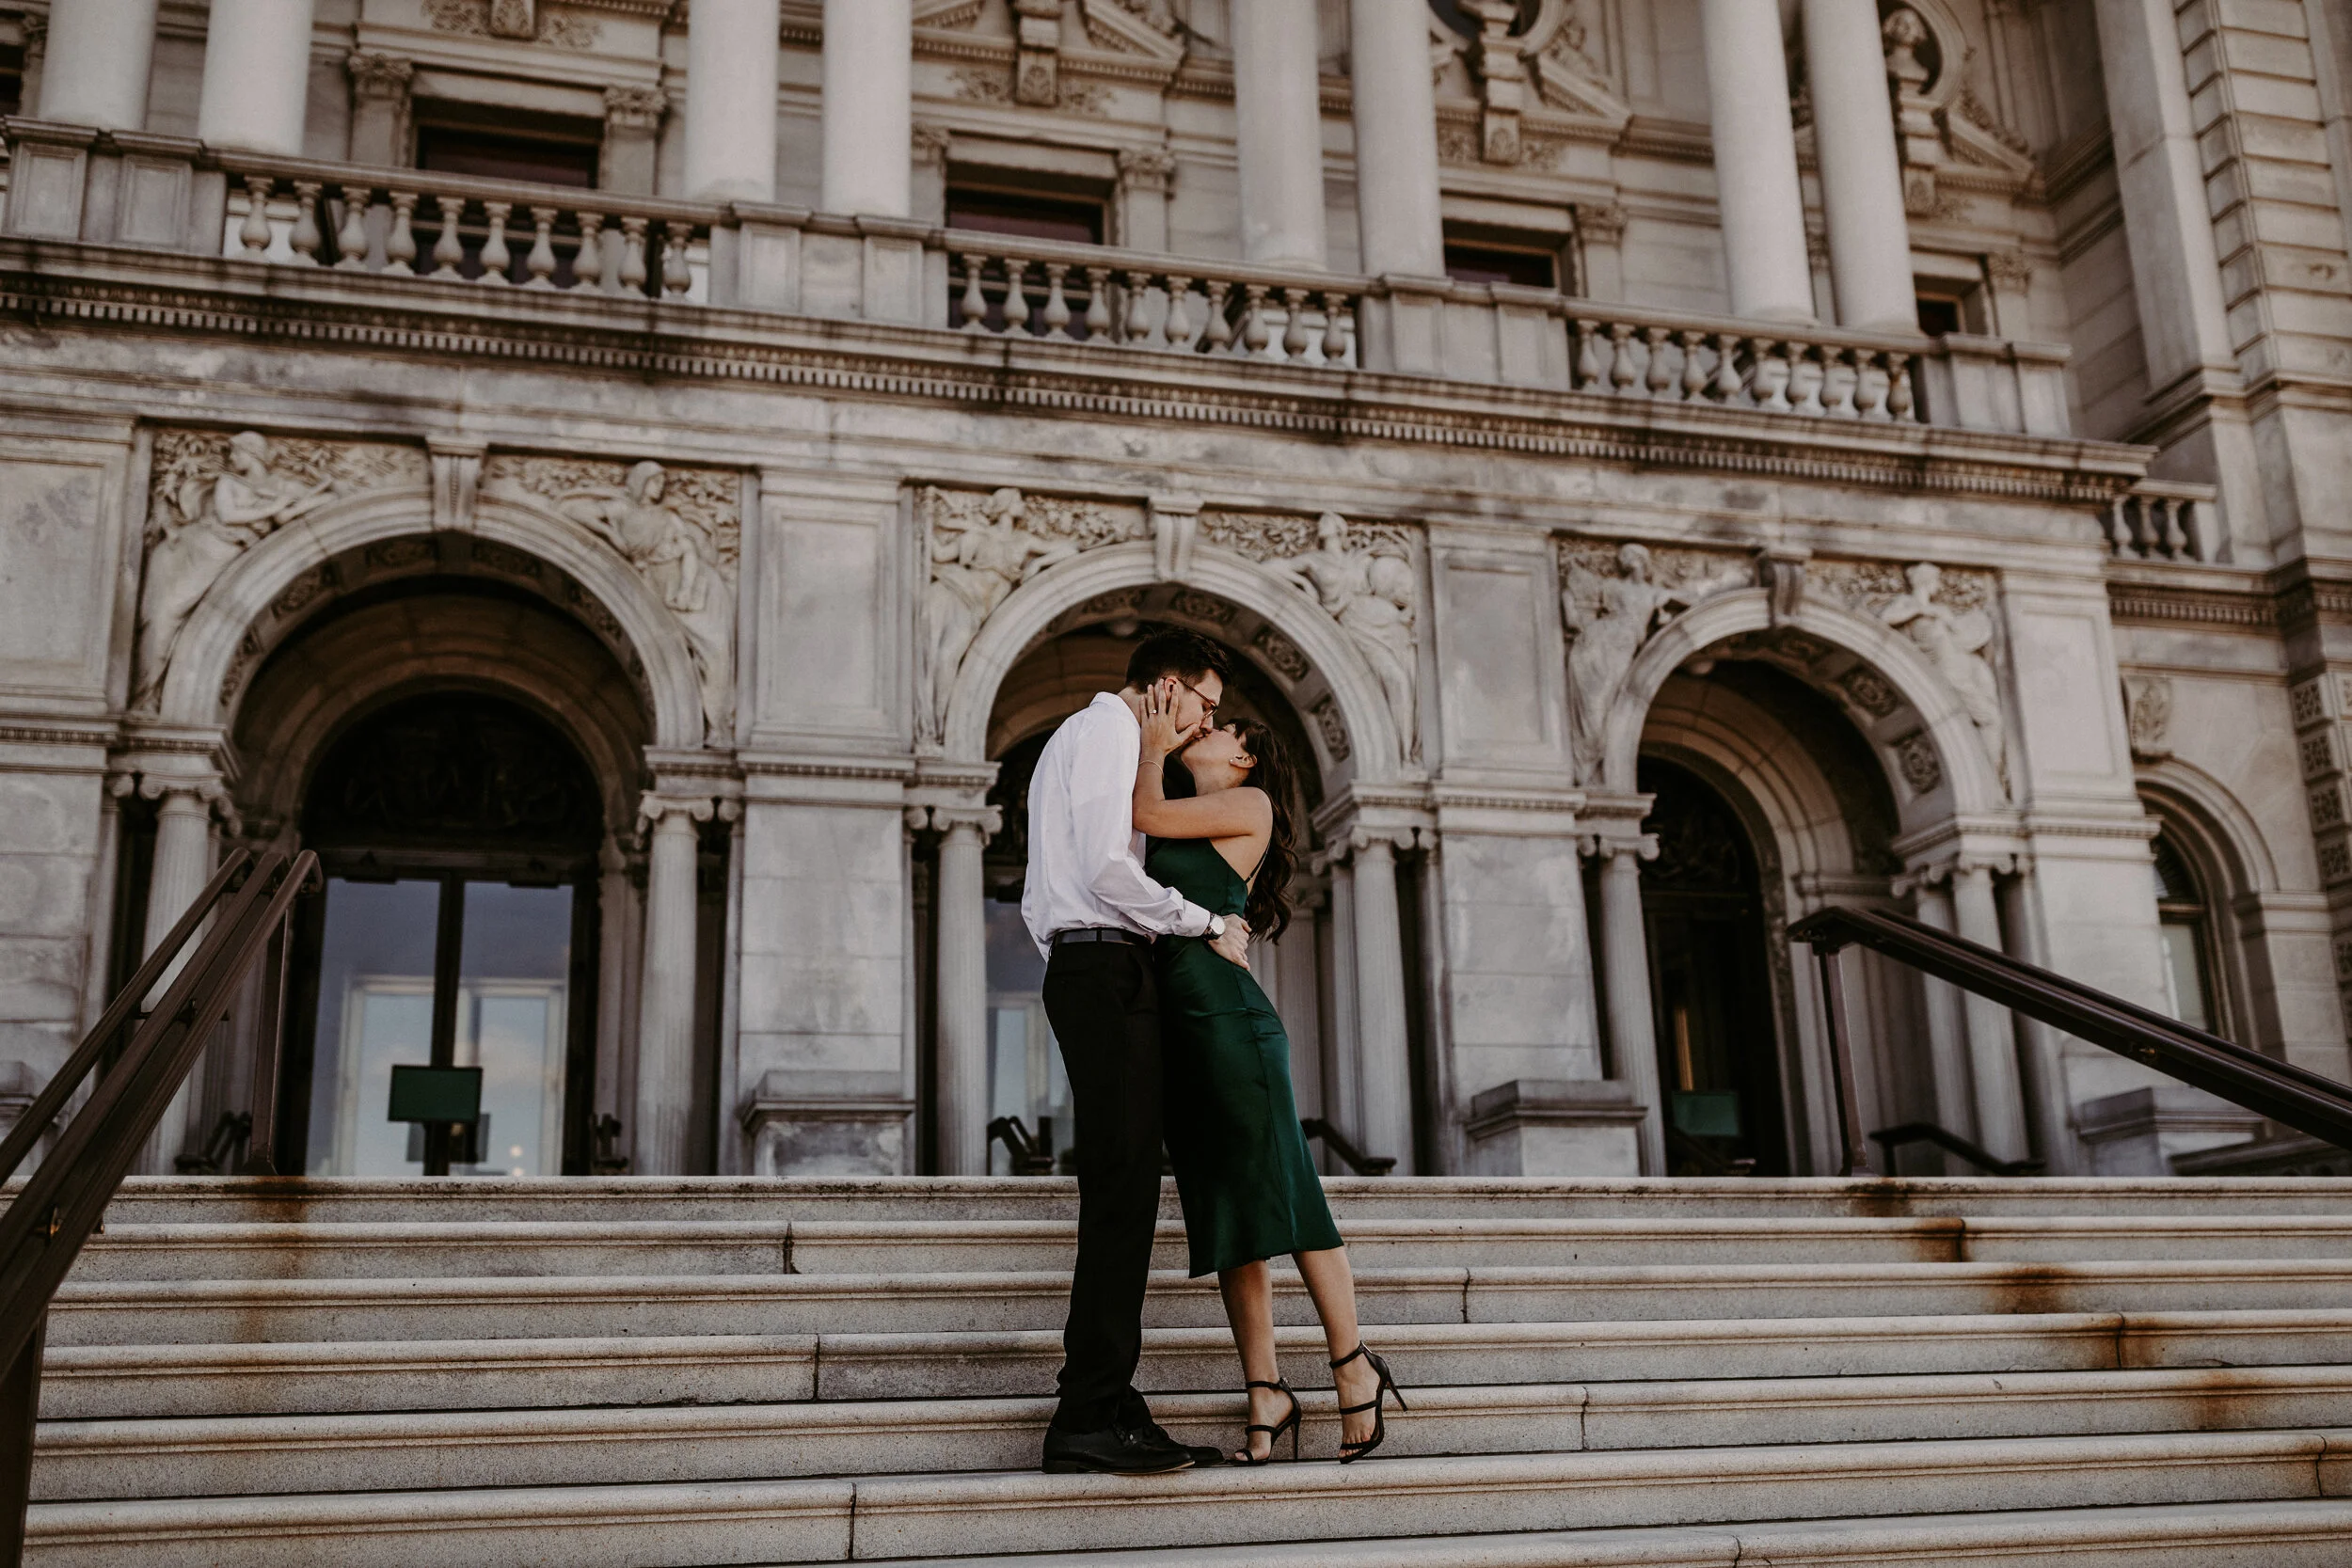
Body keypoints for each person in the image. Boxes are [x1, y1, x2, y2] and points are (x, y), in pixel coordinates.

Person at [1131, 692, 1407, 1465]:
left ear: (1245, 756)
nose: (1201, 730)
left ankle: (1354, 1365)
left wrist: (1153, 741)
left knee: (1288, 1191)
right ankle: (1266, 1391)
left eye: (1217, 729)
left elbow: (1147, 815)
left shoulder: (1244, 801)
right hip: (1183, 1033)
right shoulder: (1192, 801)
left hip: (1231, 1025)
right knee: (1229, 1217)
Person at [1023, 629, 1253, 1476]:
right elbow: (1106, 871)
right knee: (1122, 1191)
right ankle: (1088, 1411)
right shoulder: (1115, 733)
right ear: (1165, 687)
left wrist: (1076, 958)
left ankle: (1107, 1397)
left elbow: (1039, 890)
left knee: (1124, 1186)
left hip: (1095, 964)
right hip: (1105, 964)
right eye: (1204, 702)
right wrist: (1204, 922)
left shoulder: (1080, 736)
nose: (1204, 721)